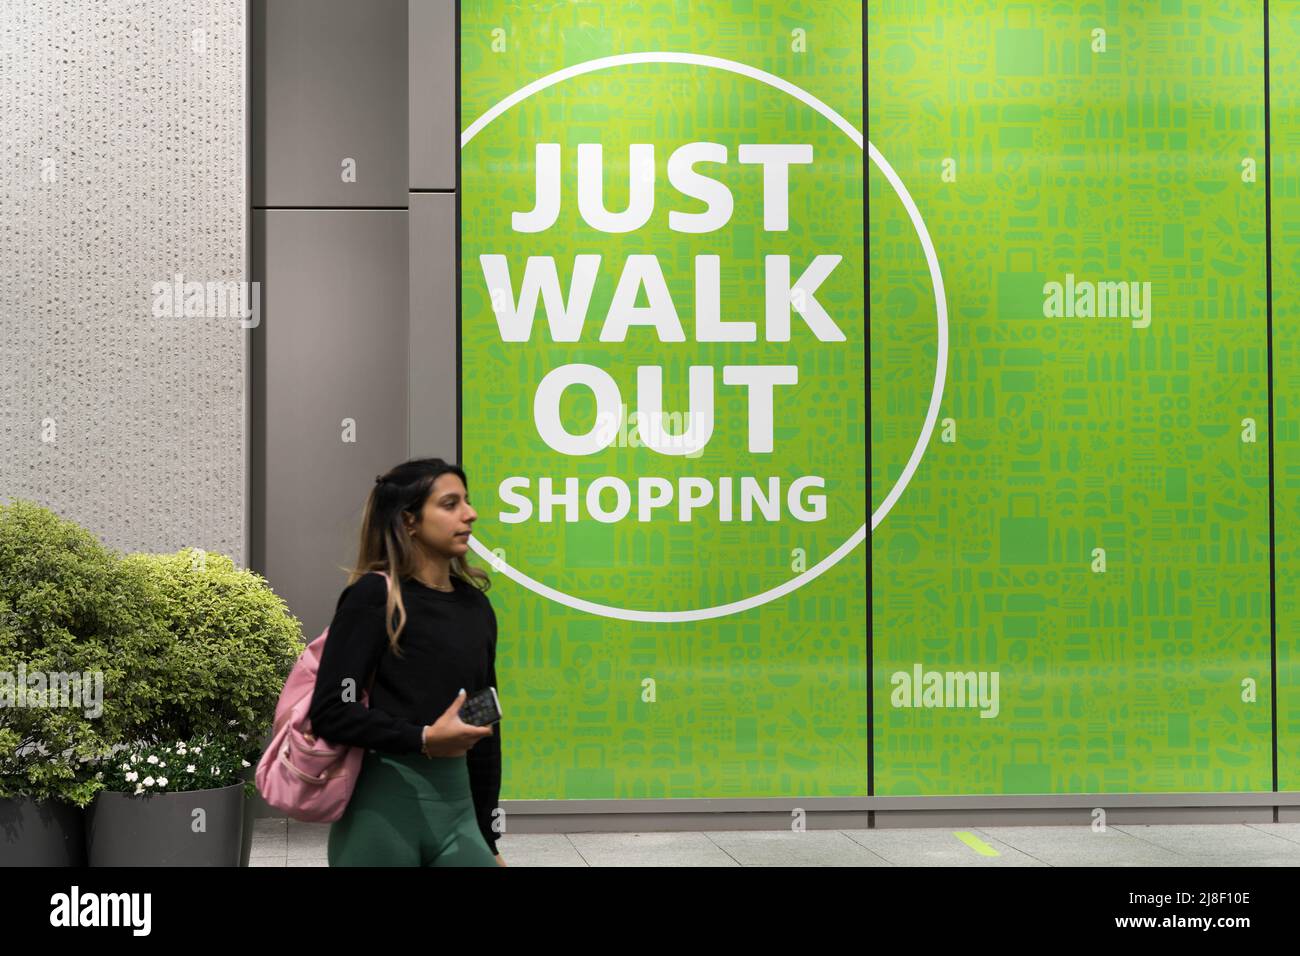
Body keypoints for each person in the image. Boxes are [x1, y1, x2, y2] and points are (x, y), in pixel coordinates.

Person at [307, 457, 505, 866]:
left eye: (466, 501)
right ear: (409, 520)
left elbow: (485, 729)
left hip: (459, 814)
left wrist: (489, 837)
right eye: (450, 504)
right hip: (381, 816)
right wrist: (424, 738)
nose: (471, 514)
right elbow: (330, 712)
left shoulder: (476, 606)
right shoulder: (373, 597)